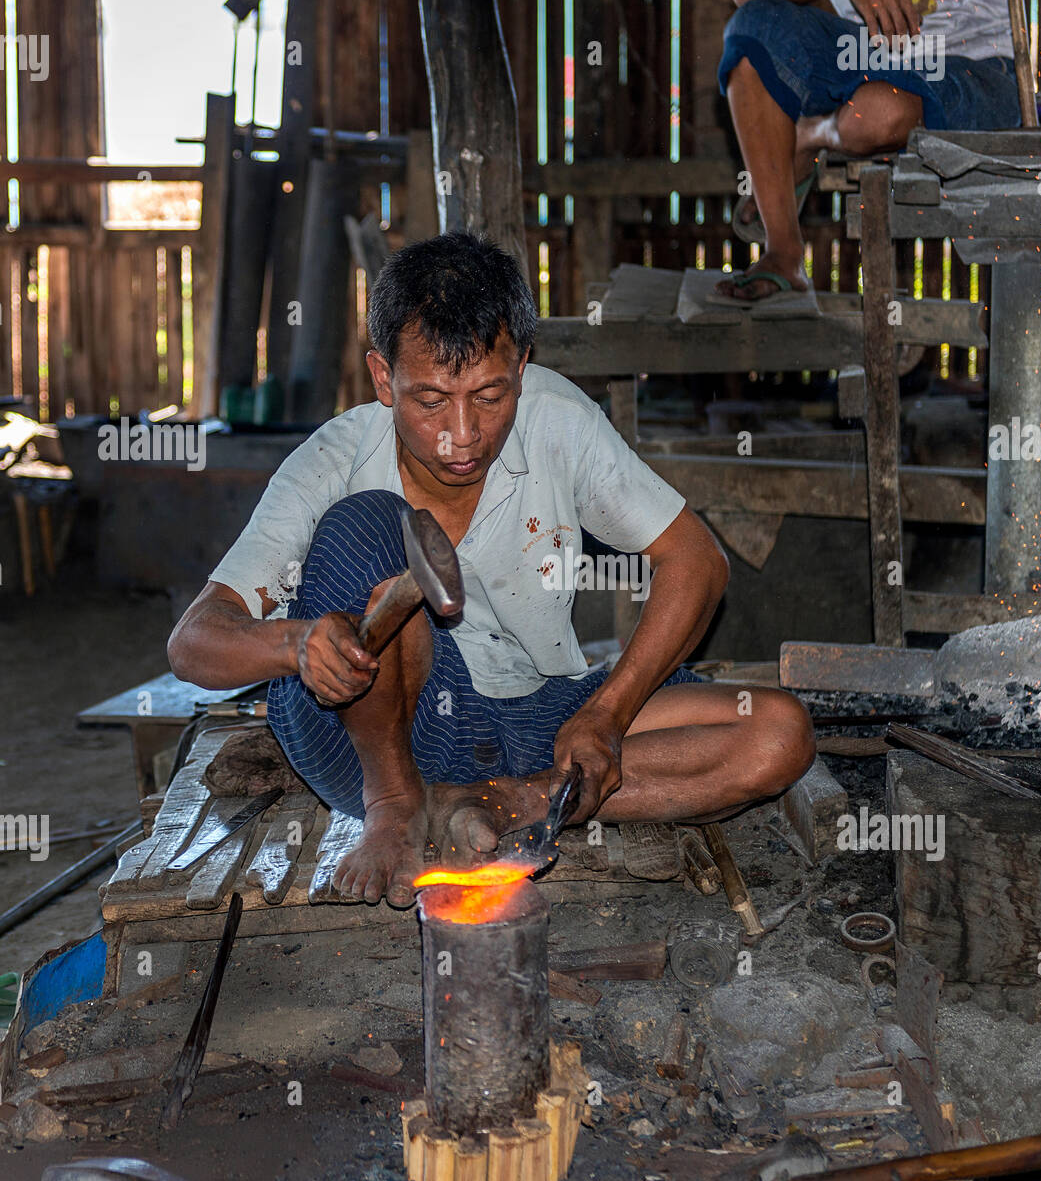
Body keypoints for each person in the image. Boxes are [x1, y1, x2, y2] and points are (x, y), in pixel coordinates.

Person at [168, 232, 815, 905]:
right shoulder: (330, 460)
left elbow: (697, 561)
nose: (462, 434)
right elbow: (192, 643)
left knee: (776, 735)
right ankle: (397, 803)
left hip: (536, 718)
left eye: (488, 395)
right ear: (384, 377)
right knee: (367, 523)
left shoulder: (560, 421)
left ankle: (505, 800)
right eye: (430, 401)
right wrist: (295, 643)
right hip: (370, 741)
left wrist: (608, 715)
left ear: (523, 366)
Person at [715, 0, 1041, 304]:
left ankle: (810, 135)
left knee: (877, 115)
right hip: (868, 52)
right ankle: (783, 254)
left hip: (976, 58)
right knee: (752, 29)